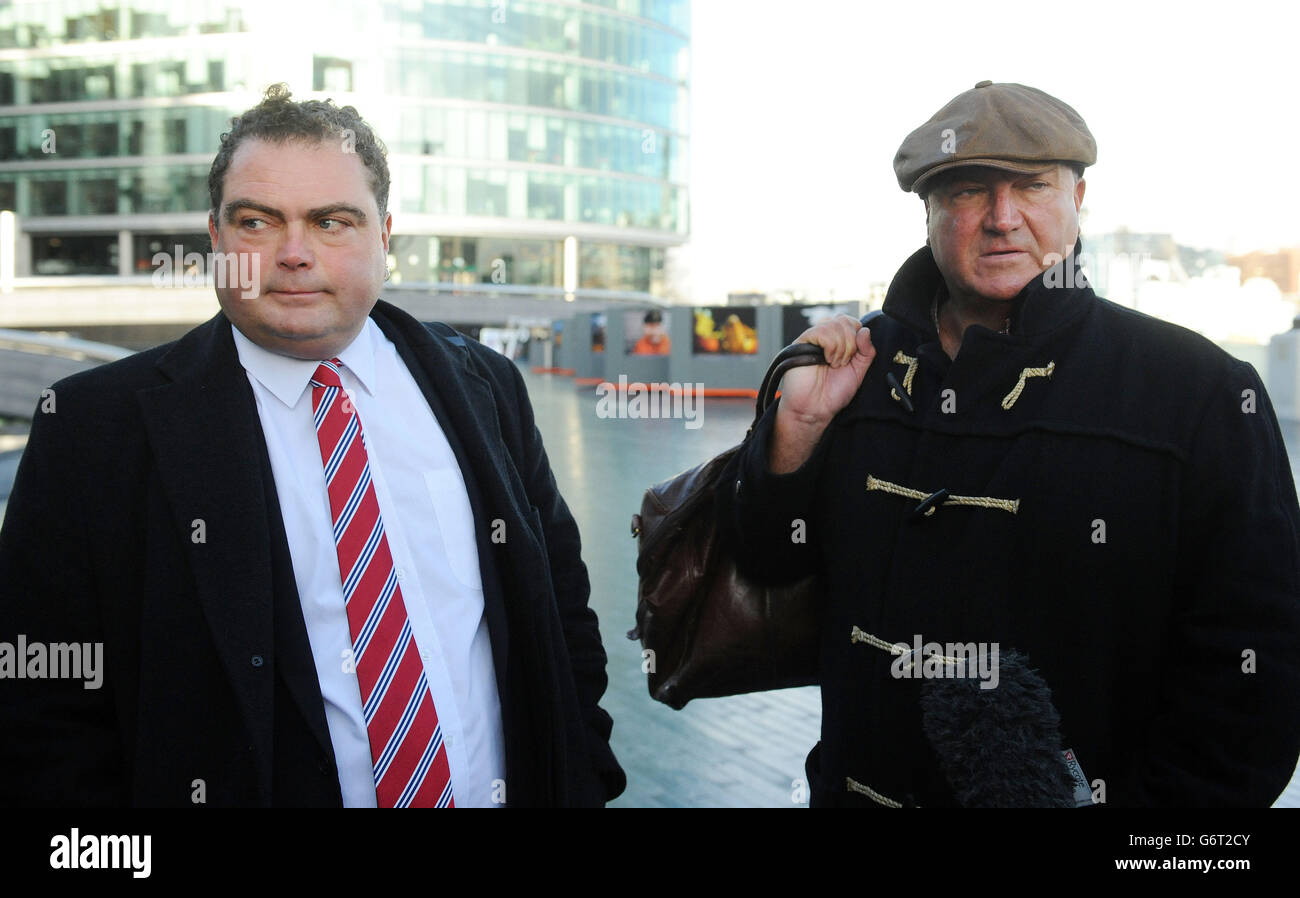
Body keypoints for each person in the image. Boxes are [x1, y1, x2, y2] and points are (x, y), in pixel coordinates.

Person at [0, 84, 625, 807]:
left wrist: (584, 774)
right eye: (259, 222)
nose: (294, 254)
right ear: (217, 238)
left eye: (332, 221)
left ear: (385, 236)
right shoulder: (92, 429)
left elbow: (560, 607)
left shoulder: (485, 387)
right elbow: (42, 707)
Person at [717, 81, 1300, 807]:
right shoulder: (850, 369)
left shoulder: (1197, 392)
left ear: (1078, 200)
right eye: (966, 191)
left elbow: (1256, 686)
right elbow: (768, 565)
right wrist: (793, 435)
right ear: (927, 210)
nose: (1001, 219)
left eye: (1031, 187)